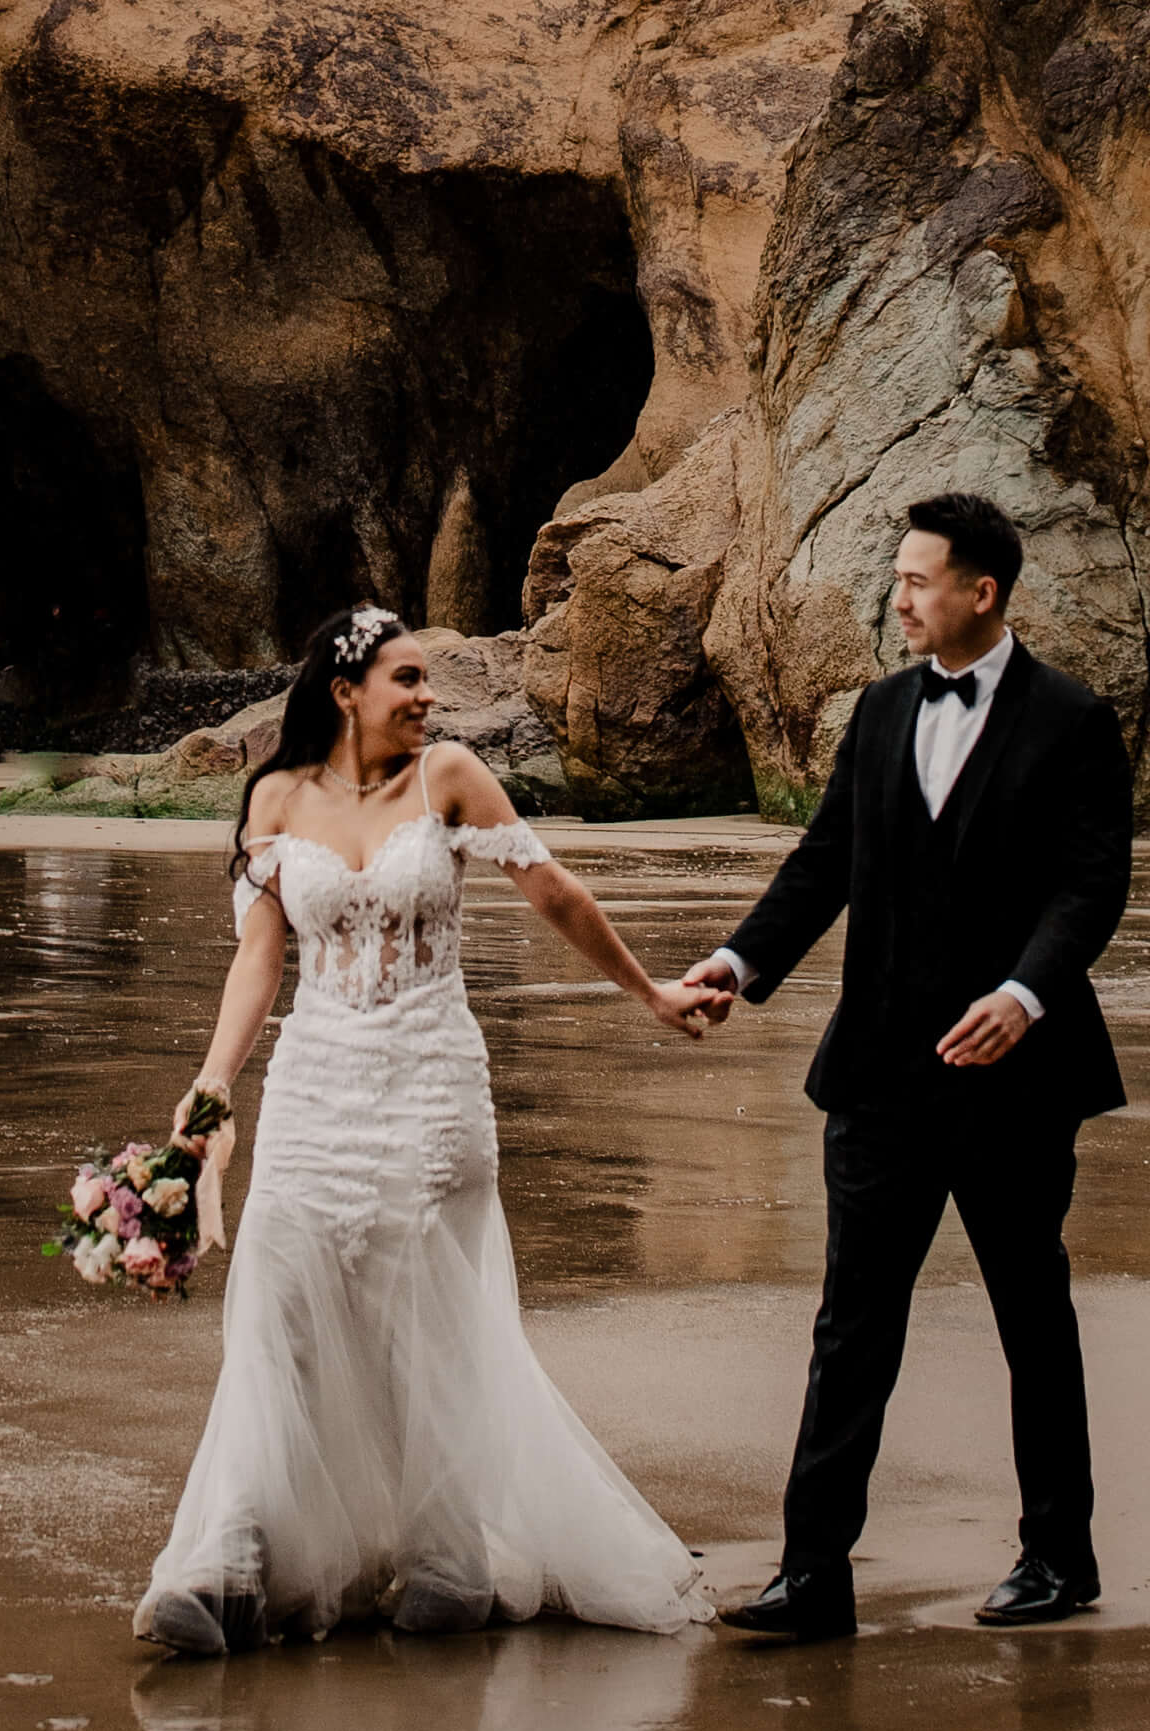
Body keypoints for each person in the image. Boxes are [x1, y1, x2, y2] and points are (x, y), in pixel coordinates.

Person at [134, 604, 724, 1654]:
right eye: (407, 678)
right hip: (317, 1080)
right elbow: (260, 959)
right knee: (274, 1297)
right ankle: (230, 1553)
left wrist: (649, 993)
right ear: (343, 691)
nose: (427, 696)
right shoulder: (275, 797)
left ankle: (448, 1550)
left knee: (424, 1312)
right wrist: (213, 1081)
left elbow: (553, 890)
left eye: (428, 680)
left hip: (429, 1080)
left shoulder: (447, 774)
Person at [679, 492, 1133, 1636]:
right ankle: (811, 1572)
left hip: (1016, 1081)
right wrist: (739, 959)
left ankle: (1057, 1556)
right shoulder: (880, 711)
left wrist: (1025, 995)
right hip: (879, 1074)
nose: (899, 595)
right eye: (898, 577)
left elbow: (1092, 884)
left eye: (918, 578)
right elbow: (825, 857)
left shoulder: (1073, 720)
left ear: (982, 591)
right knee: (852, 1323)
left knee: (1031, 1313)